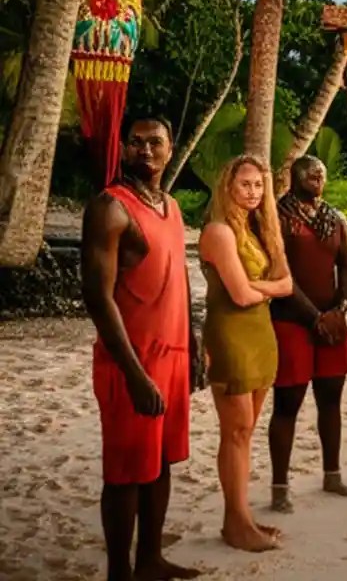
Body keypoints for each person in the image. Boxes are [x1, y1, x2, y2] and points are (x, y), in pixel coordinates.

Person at [81, 117, 203, 581]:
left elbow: (180, 279)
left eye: (155, 143)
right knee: (126, 471)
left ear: (171, 150)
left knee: (161, 461)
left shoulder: (171, 206)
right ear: (124, 148)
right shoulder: (111, 208)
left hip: (171, 354)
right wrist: (133, 372)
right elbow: (98, 296)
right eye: (136, 143)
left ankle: (150, 558)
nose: (145, 151)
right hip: (130, 361)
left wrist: (193, 343)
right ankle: (120, 571)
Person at [199, 155, 293, 552]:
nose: (253, 192)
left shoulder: (262, 229)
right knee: (235, 432)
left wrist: (261, 285)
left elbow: (288, 284)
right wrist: (263, 286)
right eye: (245, 185)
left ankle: (239, 517)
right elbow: (239, 294)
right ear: (228, 187)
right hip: (231, 337)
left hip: (261, 336)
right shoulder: (219, 232)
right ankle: (235, 523)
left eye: (259, 185)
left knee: (245, 433)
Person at [267, 155, 347, 512]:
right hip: (291, 320)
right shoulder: (278, 217)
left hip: (331, 322)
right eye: (310, 171)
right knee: (288, 403)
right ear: (293, 176)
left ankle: (332, 475)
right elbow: (281, 273)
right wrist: (315, 317)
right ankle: (279, 486)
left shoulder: (333, 219)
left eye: (322, 171)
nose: (317, 176)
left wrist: (340, 310)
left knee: (331, 399)